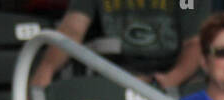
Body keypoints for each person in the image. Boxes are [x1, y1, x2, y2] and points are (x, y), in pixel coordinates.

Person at [30, 0, 204, 92]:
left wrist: (168, 81)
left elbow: (194, 43)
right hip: (114, 78)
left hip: (174, 79)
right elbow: (72, 29)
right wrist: (46, 70)